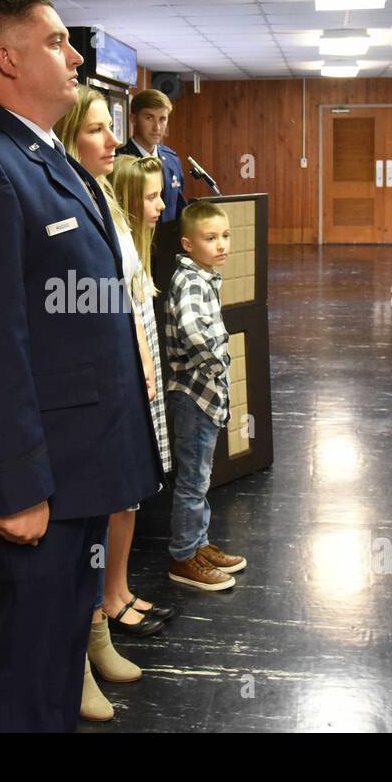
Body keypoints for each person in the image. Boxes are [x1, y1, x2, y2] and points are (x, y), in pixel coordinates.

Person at [0, 0, 161, 732]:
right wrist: (19, 486)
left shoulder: (42, 157)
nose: (78, 56)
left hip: (79, 471)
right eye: (58, 42)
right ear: (7, 58)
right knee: (25, 680)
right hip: (34, 488)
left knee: (58, 666)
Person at [54, 93, 173, 722]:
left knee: (117, 500)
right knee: (85, 523)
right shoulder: (64, 199)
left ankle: (98, 631)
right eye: (97, 129)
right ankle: (77, 650)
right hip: (89, 386)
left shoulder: (103, 200)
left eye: (112, 128)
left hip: (124, 371)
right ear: (68, 135)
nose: (112, 141)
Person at [164, 200, 248, 591]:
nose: (221, 245)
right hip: (195, 397)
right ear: (187, 244)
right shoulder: (191, 282)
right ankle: (183, 556)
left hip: (205, 396)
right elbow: (193, 331)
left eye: (225, 236)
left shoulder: (204, 275)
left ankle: (198, 544)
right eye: (210, 238)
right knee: (193, 480)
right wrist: (217, 364)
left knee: (201, 476)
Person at [118, 88, 187, 222]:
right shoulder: (119, 161)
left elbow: (179, 210)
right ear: (133, 119)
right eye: (149, 118)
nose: (157, 127)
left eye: (162, 119)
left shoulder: (172, 160)